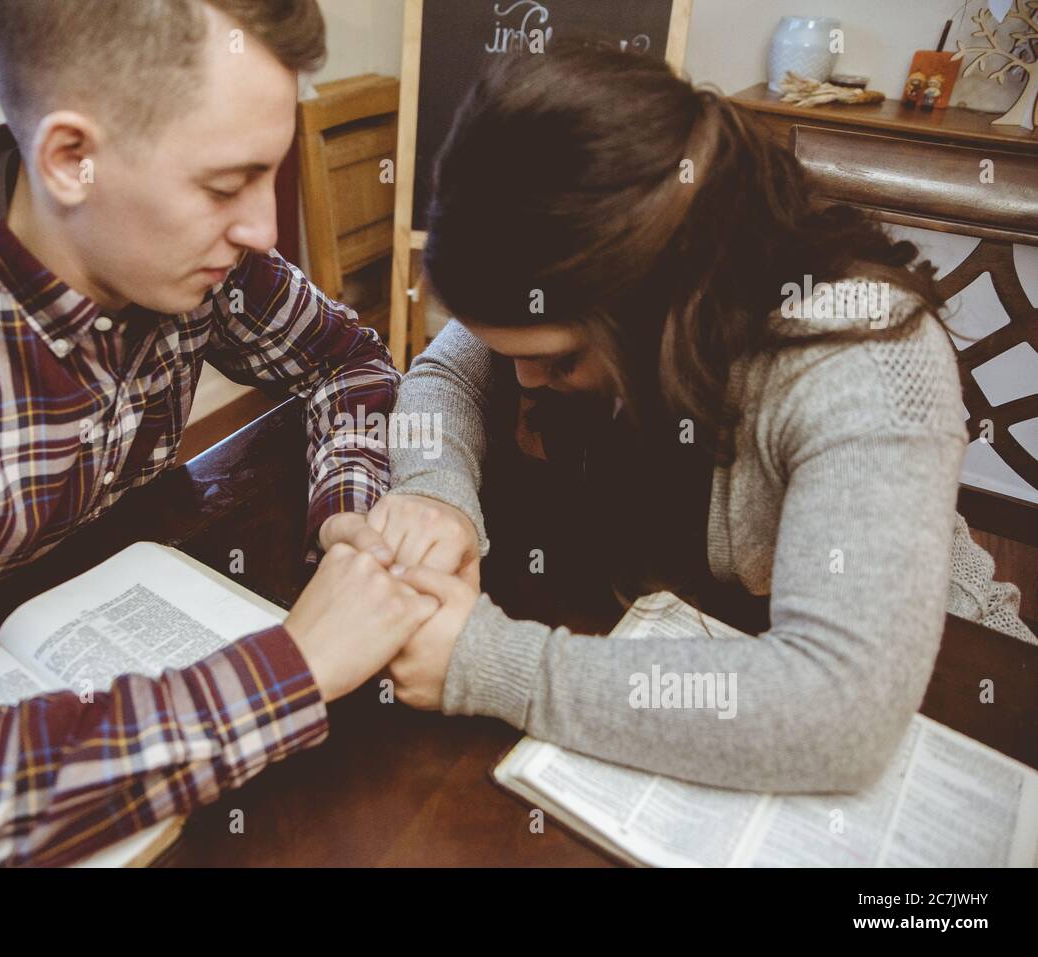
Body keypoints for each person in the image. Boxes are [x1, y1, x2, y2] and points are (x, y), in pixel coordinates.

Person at [0, 0, 432, 866]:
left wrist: (346, 518)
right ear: (71, 159)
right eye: (225, 185)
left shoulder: (205, 263)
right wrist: (290, 667)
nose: (262, 226)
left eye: (269, 174)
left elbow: (351, 363)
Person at [371, 46, 1035, 795]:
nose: (524, 380)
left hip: (957, 698)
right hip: (684, 625)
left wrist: (489, 664)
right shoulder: (580, 270)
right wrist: (435, 493)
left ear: (657, 295)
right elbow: (441, 375)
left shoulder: (865, 357)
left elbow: (838, 713)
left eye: (558, 361)